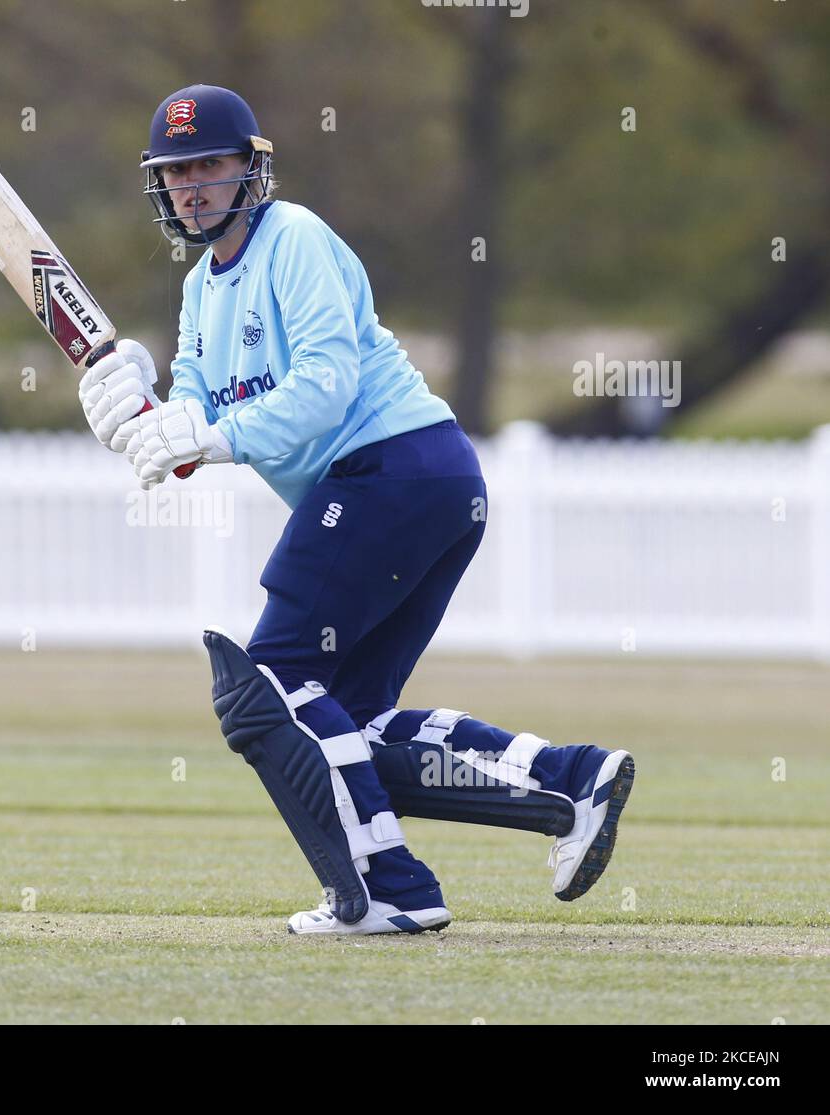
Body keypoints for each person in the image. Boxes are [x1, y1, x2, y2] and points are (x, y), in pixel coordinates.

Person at [78, 84, 635, 936]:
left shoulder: (292, 237)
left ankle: (386, 889)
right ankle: (570, 778)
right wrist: (139, 417)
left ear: (248, 171)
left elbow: (324, 389)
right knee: (351, 725)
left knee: (270, 680)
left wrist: (205, 433)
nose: (193, 186)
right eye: (177, 171)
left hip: (393, 466)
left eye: (210, 165)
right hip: (416, 485)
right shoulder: (199, 293)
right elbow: (194, 430)